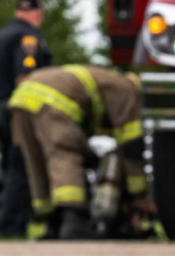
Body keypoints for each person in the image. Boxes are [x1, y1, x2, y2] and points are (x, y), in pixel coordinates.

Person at [8, 64, 148, 240]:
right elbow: (131, 143)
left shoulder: (101, 77)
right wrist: (139, 194)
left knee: (37, 161)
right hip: (52, 100)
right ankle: (73, 223)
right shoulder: (126, 89)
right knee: (65, 153)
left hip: (21, 98)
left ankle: (53, 224)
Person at [0, 0, 51, 238]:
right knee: (22, 169)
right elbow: (26, 78)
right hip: (20, 112)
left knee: (11, 168)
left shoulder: (1, 35)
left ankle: (13, 225)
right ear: (37, 11)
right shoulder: (27, 37)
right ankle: (12, 227)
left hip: (2, 109)